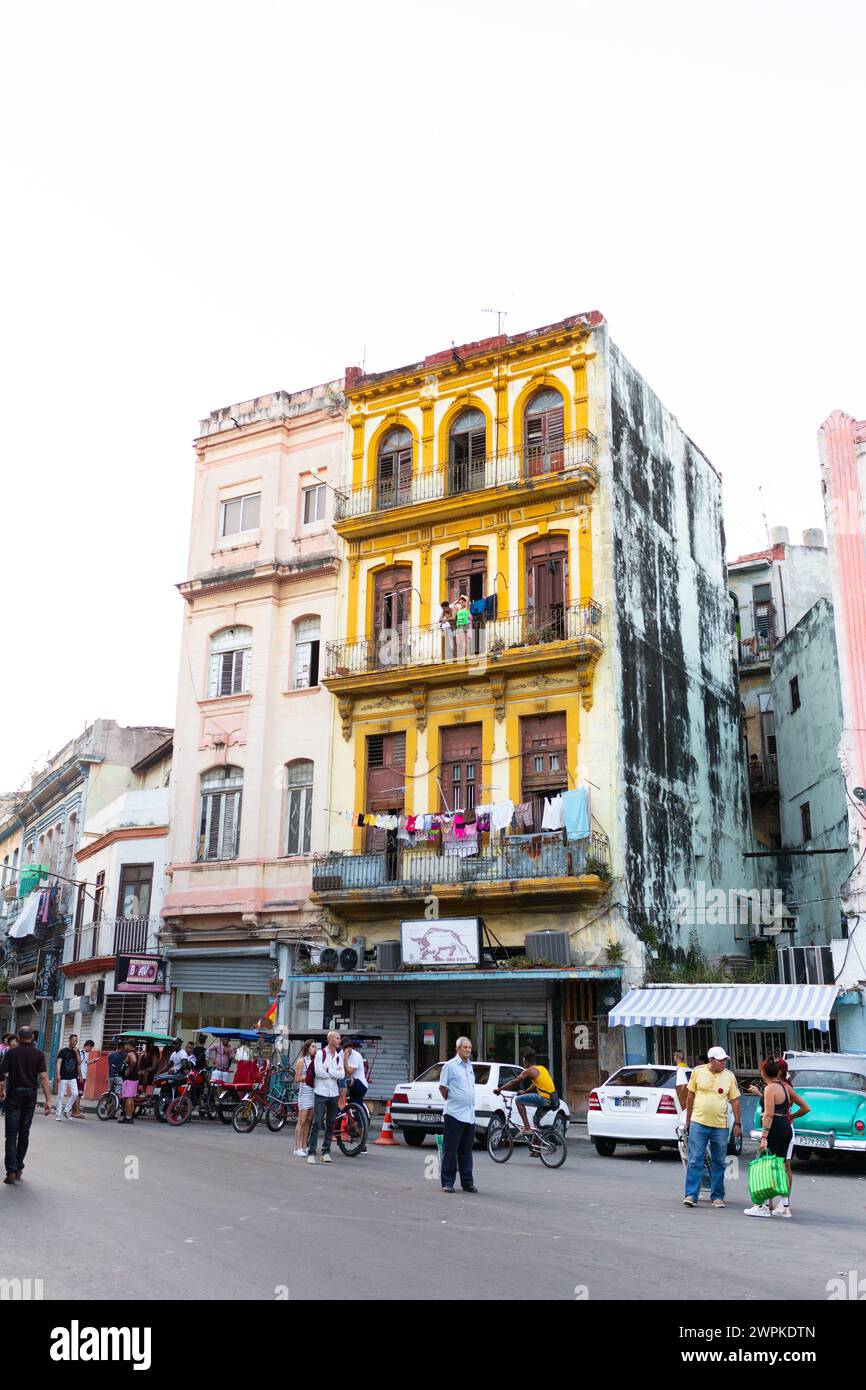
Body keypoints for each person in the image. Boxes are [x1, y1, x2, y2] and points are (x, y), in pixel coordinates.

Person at [744, 1058, 810, 1219]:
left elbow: (768, 1114)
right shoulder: (785, 1087)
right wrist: (791, 1117)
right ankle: (784, 1207)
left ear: (764, 1072)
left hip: (774, 1129)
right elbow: (805, 1107)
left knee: (767, 1165)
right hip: (786, 1128)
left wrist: (764, 1137)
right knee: (780, 1166)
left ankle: (764, 1207)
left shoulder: (770, 1089)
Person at [683, 1044, 742, 1209]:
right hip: (698, 1122)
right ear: (711, 1060)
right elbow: (690, 1095)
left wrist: (737, 1123)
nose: (724, 1063)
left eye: (725, 1060)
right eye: (721, 1060)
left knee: (719, 1161)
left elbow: (735, 1100)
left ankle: (717, 1196)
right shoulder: (698, 1071)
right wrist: (688, 1119)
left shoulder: (729, 1076)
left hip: (720, 1125)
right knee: (695, 1159)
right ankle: (691, 1195)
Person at [0, 1026, 52, 1183]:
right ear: (32, 1038)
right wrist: (48, 1100)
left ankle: (11, 1171)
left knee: (11, 1134)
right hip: (30, 1095)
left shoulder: (11, 1053)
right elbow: (43, 1077)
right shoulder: (38, 1054)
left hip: (14, 1094)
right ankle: (19, 1166)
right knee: (24, 1132)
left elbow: (1, 1075)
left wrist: (1, 1091)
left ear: (19, 1037)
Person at [438, 1035, 478, 1193]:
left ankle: (467, 1182)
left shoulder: (469, 1066)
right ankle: (448, 1182)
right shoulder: (450, 1066)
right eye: (465, 1047)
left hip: (469, 1115)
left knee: (466, 1151)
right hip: (454, 1113)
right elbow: (442, 1087)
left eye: (469, 1047)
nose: (468, 1050)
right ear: (458, 1049)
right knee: (450, 1149)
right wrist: (452, 1099)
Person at [494, 1050, 559, 1135]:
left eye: (524, 1062)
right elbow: (535, 1084)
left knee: (518, 1100)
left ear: (527, 1062)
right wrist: (525, 1092)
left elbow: (515, 1081)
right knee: (536, 1122)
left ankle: (527, 1127)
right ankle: (536, 1146)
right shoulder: (542, 1069)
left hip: (544, 1099)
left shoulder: (529, 1071)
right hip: (552, 1100)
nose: (524, 1065)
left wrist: (500, 1089)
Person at [306, 1031, 344, 1164]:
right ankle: (311, 1153)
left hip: (333, 1093)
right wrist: (333, 1074)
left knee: (330, 1123)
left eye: (340, 1038)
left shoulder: (339, 1055)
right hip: (321, 1092)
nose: (340, 1040)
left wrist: (329, 1071)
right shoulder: (320, 1054)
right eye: (338, 1038)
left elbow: (342, 1074)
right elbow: (319, 1072)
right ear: (331, 1040)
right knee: (316, 1123)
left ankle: (326, 1152)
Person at [342, 1039, 370, 1154]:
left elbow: (348, 1071)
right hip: (350, 1089)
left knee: (345, 1080)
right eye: (346, 1047)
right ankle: (363, 1145)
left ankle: (341, 1102)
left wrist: (344, 1058)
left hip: (359, 1085)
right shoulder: (340, 1054)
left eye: (350, 1047)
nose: (348, 1049)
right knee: (358, 1115)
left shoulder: (356, 1056)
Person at [293, 1039, 317, 1157]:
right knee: (301, 1121)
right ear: (307, 1048)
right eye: (313, 1046)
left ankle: (304, 1145)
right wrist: (308, 1077)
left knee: (308, 1120)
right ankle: (296, 1147)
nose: (315, 1049)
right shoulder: (301, 1061)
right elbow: (297, 1079)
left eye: (315, 1047)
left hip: (313, 1092)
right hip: (304, 1093)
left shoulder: (315, 1061)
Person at [55, 1033, 82, 1121]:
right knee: (61, 1096)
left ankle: (66, 1110)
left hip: (73, 1077)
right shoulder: (63, 1051)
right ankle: (58, 1115)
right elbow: (59, 1062)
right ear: (69, 1040)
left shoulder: (76, 1051)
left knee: (75, 1093)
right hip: (63, 1077)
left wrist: (76, 1053)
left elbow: (79, 1063)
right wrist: (58, 1074)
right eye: (74, 1041)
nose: (75, 1043)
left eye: (76, 1041)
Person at [72, 1039, 95, 1117]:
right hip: (80, 1076)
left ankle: (73, 1112)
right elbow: (79, 1065)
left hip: (81, 1076)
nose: (91, 1050)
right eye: (91, 1048)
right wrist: (81, 1076)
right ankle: (77, 1112)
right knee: (78, 1094)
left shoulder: (84, 1053)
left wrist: (93, 1061)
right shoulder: (81, 1053)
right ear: (88, 1046)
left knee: (76, 1094)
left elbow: (84, 1064)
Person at [119, 1046, 140, 1124]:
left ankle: (128, 1117)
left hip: (129, 1079)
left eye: (127, 1044)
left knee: (128, 1098)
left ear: (130, 1046)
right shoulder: (136, 1053)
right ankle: (129, 1116)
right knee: (130, 1097)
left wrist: (128, 1070)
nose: (125, 1046)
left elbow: (133, 1061)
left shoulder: (131, 1053)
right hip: (134, 1078)